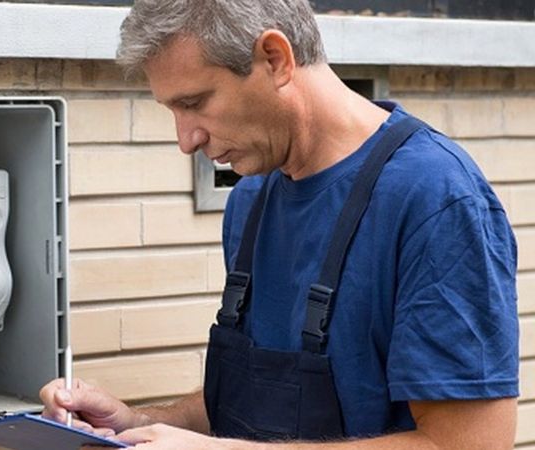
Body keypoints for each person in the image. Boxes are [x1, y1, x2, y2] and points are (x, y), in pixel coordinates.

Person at [40, 0, 520, 448]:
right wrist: (139, 424)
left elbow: (466, 443)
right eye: (172, 110)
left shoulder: (434, 198)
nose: (186, 140)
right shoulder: (250, 200)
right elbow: (262, 406)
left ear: (275, 58)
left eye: (194, 103)